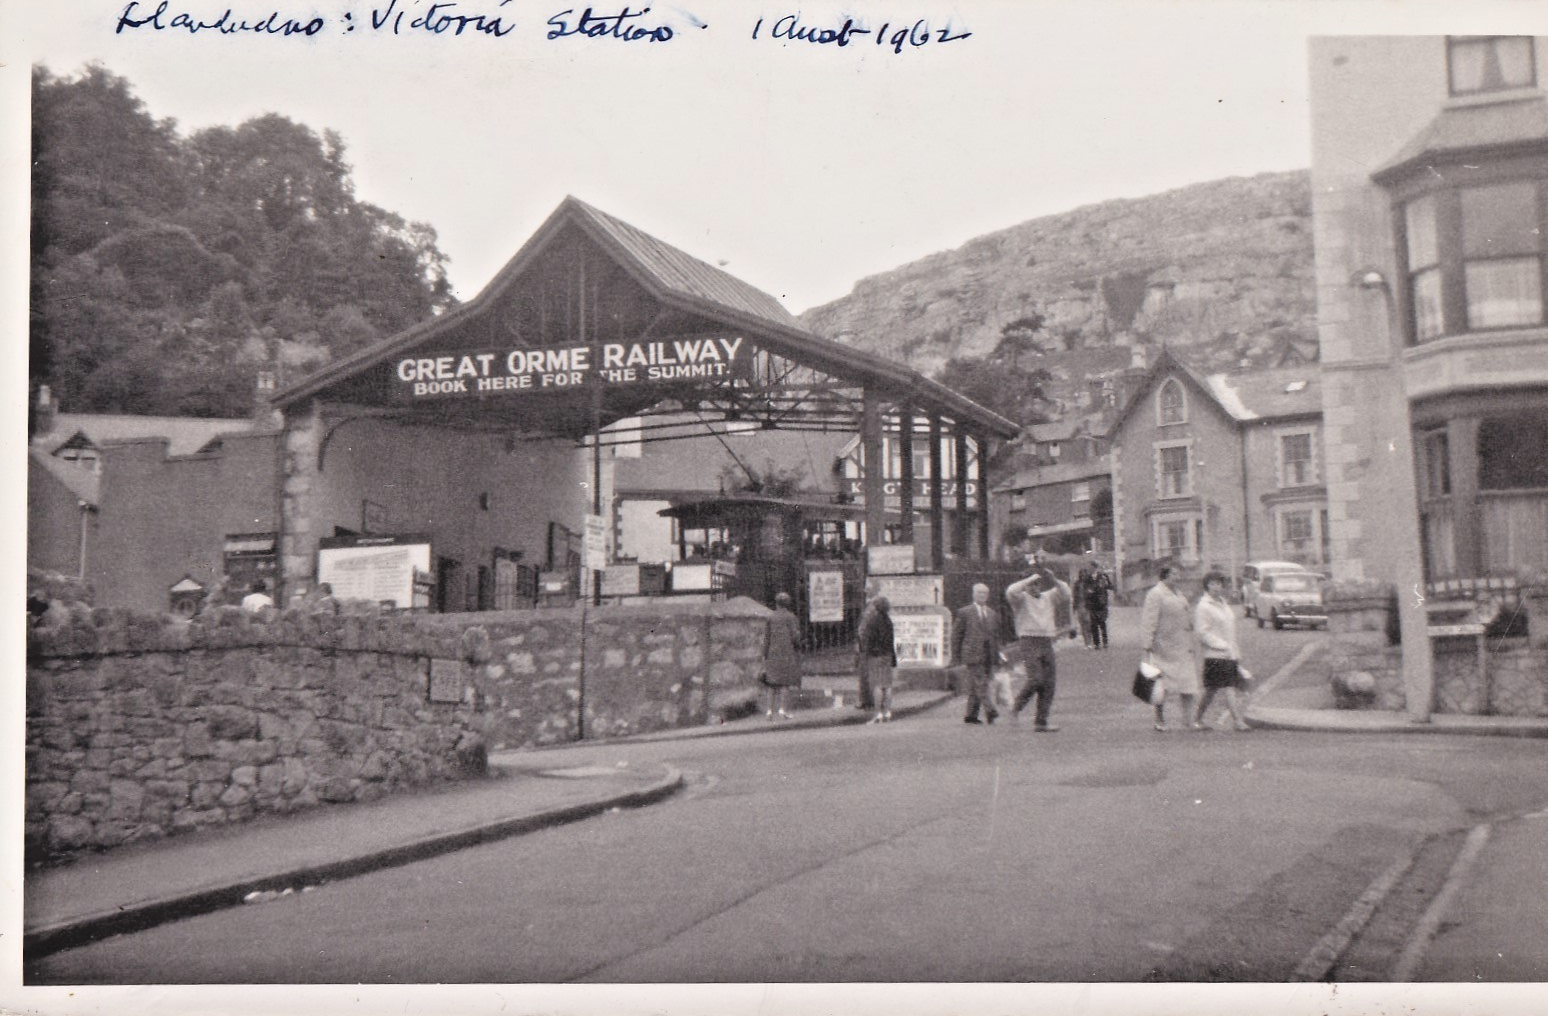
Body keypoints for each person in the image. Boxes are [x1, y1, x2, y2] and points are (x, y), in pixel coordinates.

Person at [1004, 547, 1076, 732]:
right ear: (1026, 585)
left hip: (1046, 641)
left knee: (1049, 683)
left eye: (1037, 584)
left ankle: (1041, 721)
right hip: (1029, 641)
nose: (1035, 587)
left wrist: (1053, 579)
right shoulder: (1020, 600)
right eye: (1032, 585)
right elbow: (1011, 591)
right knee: (1035, 679)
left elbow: (1066, 593)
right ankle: (1016, 708)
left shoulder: (1048, 597)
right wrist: (1029, 578)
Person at [1139, 566, 1199, 731]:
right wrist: (1147, 645)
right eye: (1174, 574)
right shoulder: (1156, 594)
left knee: (1188, 684)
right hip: (1163, 646)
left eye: (1179, 574)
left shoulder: (1178, 594)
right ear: (1164, 576)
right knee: (1162, 687)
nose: (1177, 577)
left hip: (1183, 645)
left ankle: (1188, 720)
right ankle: (1160, 720)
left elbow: (1185, 615)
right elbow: (1149, 620)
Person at [1193, 571, 1252, 731]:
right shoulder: (1203, 606)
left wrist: (1233, 649)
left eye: (1219, 583)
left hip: (1229, 653)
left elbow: (1229, 629)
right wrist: (1221, 645)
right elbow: (1202, 632)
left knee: (1219, 688)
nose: (1216, 587)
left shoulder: (1223, 604)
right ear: (1206, 586)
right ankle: (1237, 721)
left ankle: (1198, 719)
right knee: (1221, 688)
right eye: (1212, 584)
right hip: (1214, 654)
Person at [952, 583, 1004, 725]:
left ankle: (971, 715)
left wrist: (998, 655)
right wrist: (956, 655)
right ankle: (990, 709)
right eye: (979, 593)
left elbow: (995, 636)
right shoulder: (965, 612)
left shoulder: (992, 613)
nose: (982, 596)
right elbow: (957, 635)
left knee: (978, 684)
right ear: (973, 594)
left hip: (989, 654)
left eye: (985, 593)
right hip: (973, 653)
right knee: (981, 683)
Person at [855, 595, 898, 723]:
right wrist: (893, 658)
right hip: (887, 655)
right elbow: (891, 641)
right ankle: (887, 711)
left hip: (875, 656)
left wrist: (864, 655)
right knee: (888, 685)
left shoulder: (872, 621)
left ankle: (878, 712)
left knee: (877, 686)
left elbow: (867, 640)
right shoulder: (888, 621)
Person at [761, 592, 802, 720]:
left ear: (776, 603)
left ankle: (768, 711)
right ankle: (783, 710)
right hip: (787, 653)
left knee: (772, 684)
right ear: (788, 603)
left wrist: (764, 654)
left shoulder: (770, 618)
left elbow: (766, 638)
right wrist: (798, 644)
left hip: (772, 653)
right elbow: (795, 636)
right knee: (785, 683)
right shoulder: (791, 617)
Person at [1079, 560, 1114, 649]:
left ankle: (1105, 642)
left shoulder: (1103, 576)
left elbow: (1110, 586)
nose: (1089, 568)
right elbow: (1084, 589)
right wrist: (1088, 593)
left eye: (1090, 567)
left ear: (1094, 567)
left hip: (1102, 602)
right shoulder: (1087, 577)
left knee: (1102, 622)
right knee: (1093, 624)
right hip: (1092, 603)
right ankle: (1096, 643)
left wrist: (1105, 584)